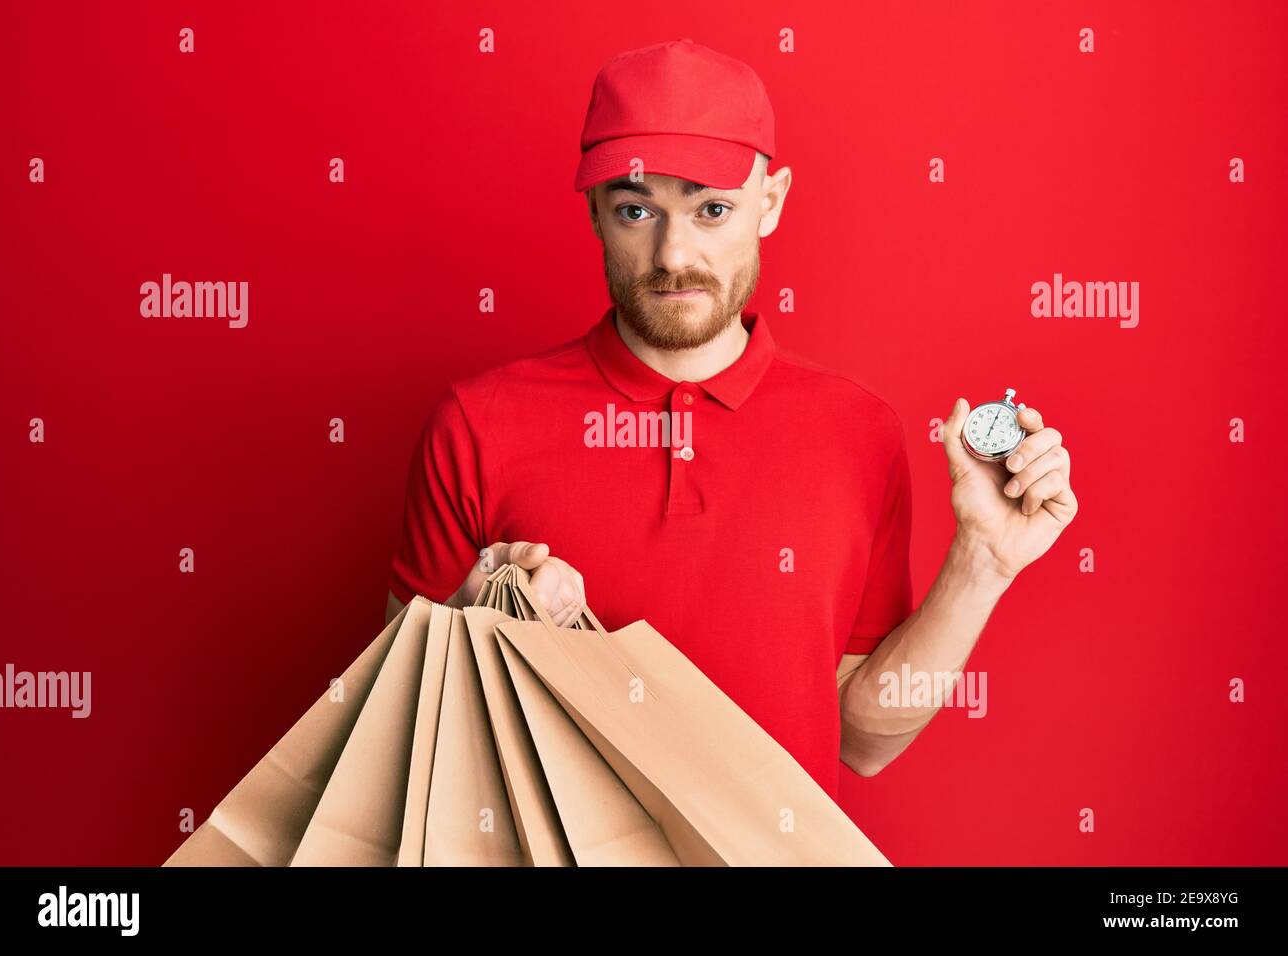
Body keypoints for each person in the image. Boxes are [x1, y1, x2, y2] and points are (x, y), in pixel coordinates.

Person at [385, 39, 1077, 798]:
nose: (673, 253)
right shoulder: (478, 424)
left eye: (712, 209)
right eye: (636, 209)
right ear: (593, 212)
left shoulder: (859, 432)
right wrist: (473, 624)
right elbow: (401, 740)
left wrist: (982, 564)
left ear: (771, 203)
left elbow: (861, 739)